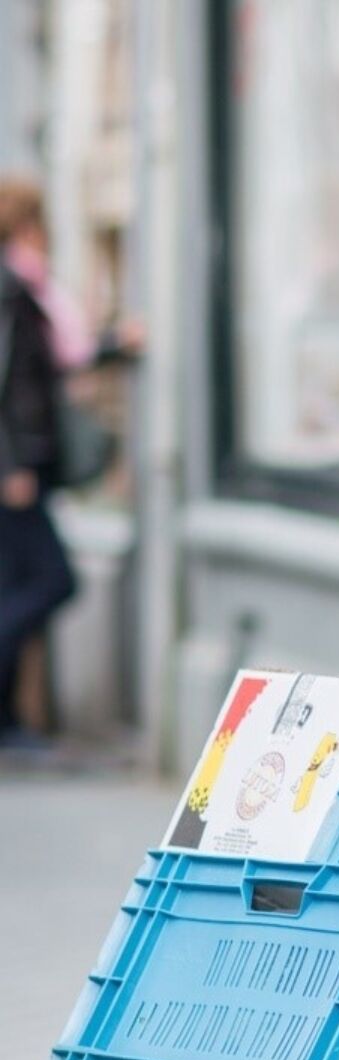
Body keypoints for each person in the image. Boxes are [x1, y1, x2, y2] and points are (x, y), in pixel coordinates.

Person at [0, 178, 84, 748]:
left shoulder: (18, 289)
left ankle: (8, 723)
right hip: (15, 473)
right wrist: (13, 464)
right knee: (56, 578)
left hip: (19, 468)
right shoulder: (11, 288)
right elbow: (9, 384)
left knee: (16, 582)